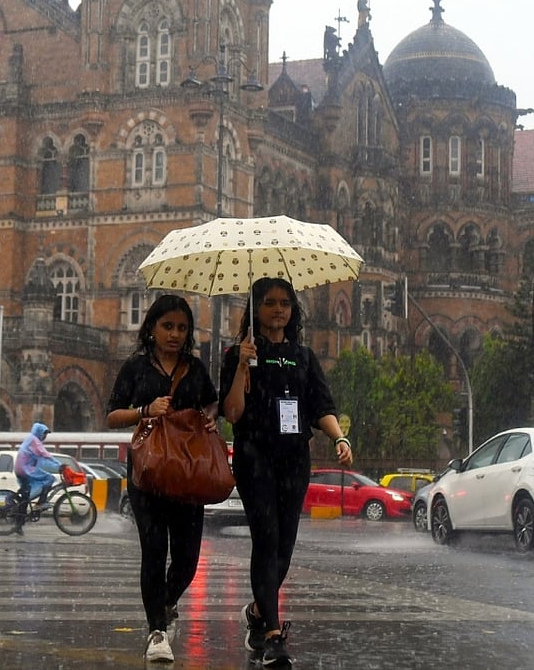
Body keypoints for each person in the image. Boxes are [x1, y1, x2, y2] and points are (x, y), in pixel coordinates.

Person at [220, 277, 352, 666]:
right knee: (266, 538)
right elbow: (232, 413)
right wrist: (243, 365)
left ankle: (257, 612)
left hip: (294, 458)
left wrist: (340, 439)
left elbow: (321, 406)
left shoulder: (304, 356)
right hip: (254, 455)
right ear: (255, 308)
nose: (279, 309)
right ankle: (273, 634)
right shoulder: (237, 354)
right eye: (270, 303)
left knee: (285, 547)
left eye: (285, 303)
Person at [106, 294, 219, 664]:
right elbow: (112, 416)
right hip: (148, 475)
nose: (174, 334)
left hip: (187, 474)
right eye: (167, 326)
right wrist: (145, 410)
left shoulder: (196, 369)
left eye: (182, 328)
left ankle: (167, 601)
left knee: (187, 558)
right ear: (151, 327)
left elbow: (211, 404)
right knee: (154, 552)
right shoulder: (136, 368)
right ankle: (156, 629)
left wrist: (208, 417)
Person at [13, 422, 60, 536]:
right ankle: (41, 503)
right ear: (39, 432)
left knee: (25, 496)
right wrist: (59, 464)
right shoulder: (34, 440)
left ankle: (19, 524)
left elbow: (42, 460)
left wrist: (55, 465)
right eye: (44, 434)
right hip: (25, 469)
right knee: (49, 478)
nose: (45, 437)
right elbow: (45, 454)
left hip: (22, 469)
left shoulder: (31, 439)